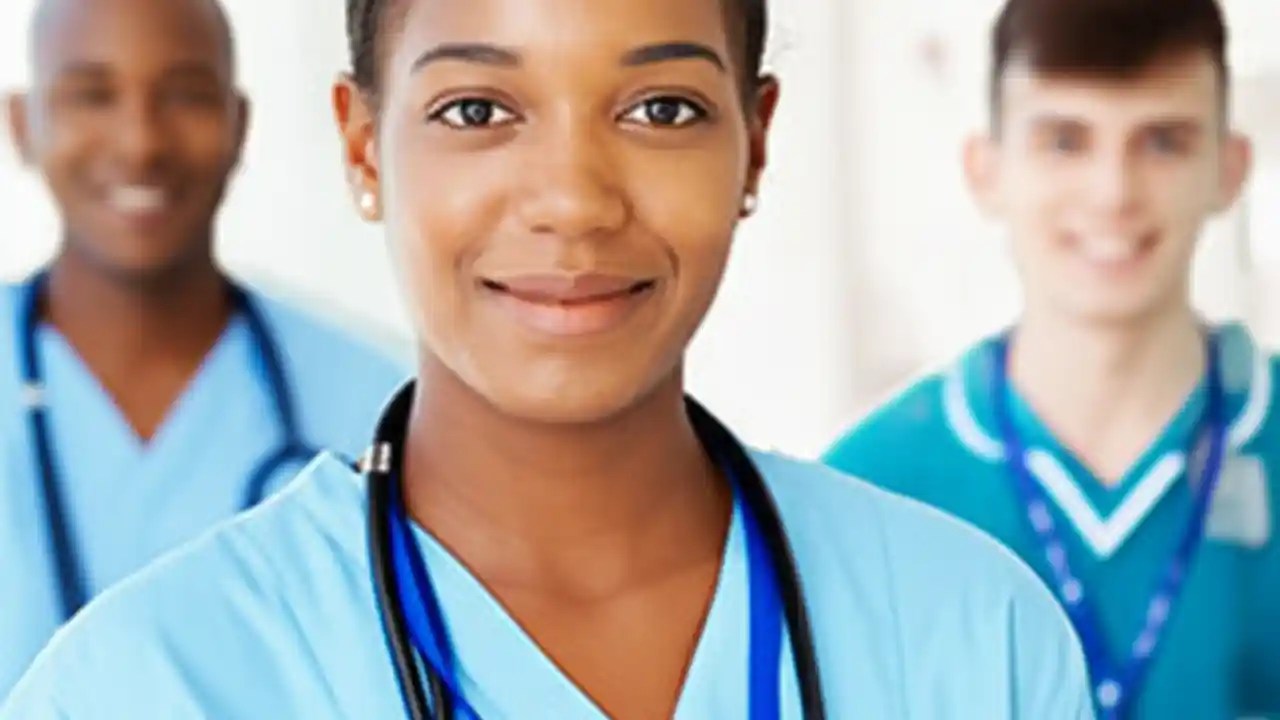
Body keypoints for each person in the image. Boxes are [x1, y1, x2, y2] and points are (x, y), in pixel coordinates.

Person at [1, 0, 1095, 717]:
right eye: (476, 109)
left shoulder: (973, 643)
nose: (573, 200)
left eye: (660, 108)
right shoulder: (144, 684)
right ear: (361, 146)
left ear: (752, 144)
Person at [824, 0, 1270, 717]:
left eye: (1163, 142)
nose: (1113, 194)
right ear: (985, 170)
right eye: (1065, 140)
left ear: (1230, 168)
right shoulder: (859, 501)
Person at [0, 0, 408, 697]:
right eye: (91, 95)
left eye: (185, 95)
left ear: (238, 124)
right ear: (22, 124)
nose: (140, 143)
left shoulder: (381, 407)